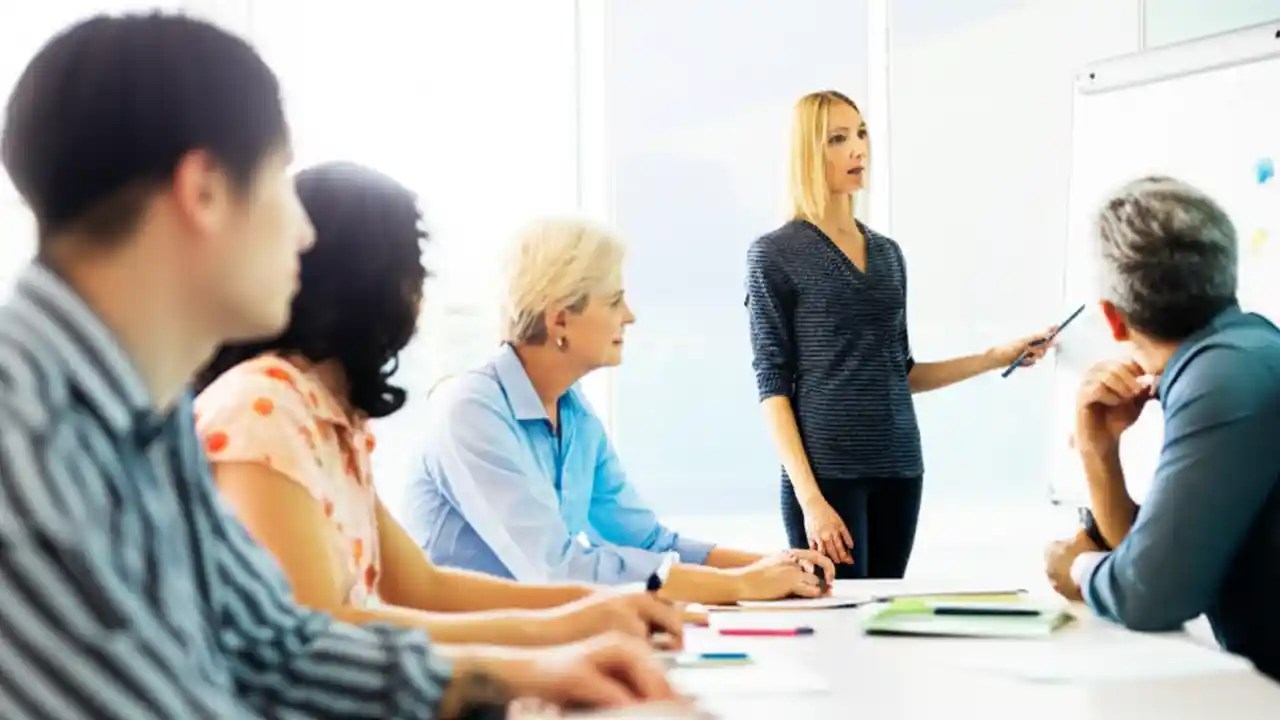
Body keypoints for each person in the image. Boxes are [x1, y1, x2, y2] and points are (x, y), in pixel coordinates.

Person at [0, 14, 675, 718]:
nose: (303, 232)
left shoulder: (144, 417)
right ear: (203, 191)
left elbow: (275, 648)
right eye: (279, 184)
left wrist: (536, 678)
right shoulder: (30, 437)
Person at [194, 161, 682, 649]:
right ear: (368, 282)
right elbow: (323, 636)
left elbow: (423, 587)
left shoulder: (329, 420)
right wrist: (565, 630)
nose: (421, 298)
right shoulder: (264, 408)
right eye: (416, 273)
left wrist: (602, 608)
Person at [396, 217, 835, 605]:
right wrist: (741, 584)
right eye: (613, 301)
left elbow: (647, 542)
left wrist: (775, 565)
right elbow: (556, 571)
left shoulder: (573, 411)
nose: (629, 316)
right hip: (459, 651)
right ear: (560, 319)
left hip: (532, 641)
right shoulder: (471, 410)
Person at [745, 89, 1051, 580]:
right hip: (828, 474)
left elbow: (900, 372)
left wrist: (997, 356)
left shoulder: (888, 254)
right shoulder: (774, 254)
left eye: (861, 134)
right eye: (838, 139)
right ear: (808, 152)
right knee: (838, 617)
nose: (858, 149)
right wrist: (810, 500)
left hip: (901, 467)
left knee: (883, 613)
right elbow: (772, 386)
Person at [1043, 176, 1280, 681]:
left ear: (1113, 319)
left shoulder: (1222, 374)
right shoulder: (1249, 347)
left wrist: (1077, 569)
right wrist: (1098, 450)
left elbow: (1150, 596)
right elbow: (1163, 562)